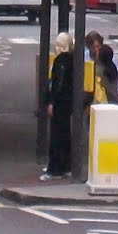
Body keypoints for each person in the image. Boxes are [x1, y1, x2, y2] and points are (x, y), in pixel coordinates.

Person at [42, 32, 75, 180]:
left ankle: (54, 170)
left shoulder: (60, 61)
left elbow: (57, 84)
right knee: (65, 134)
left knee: (56, 136)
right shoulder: (73, 60)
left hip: (59, 104)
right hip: (68, 103)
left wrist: (51, 102)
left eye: (57, 44)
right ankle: (66, 166)